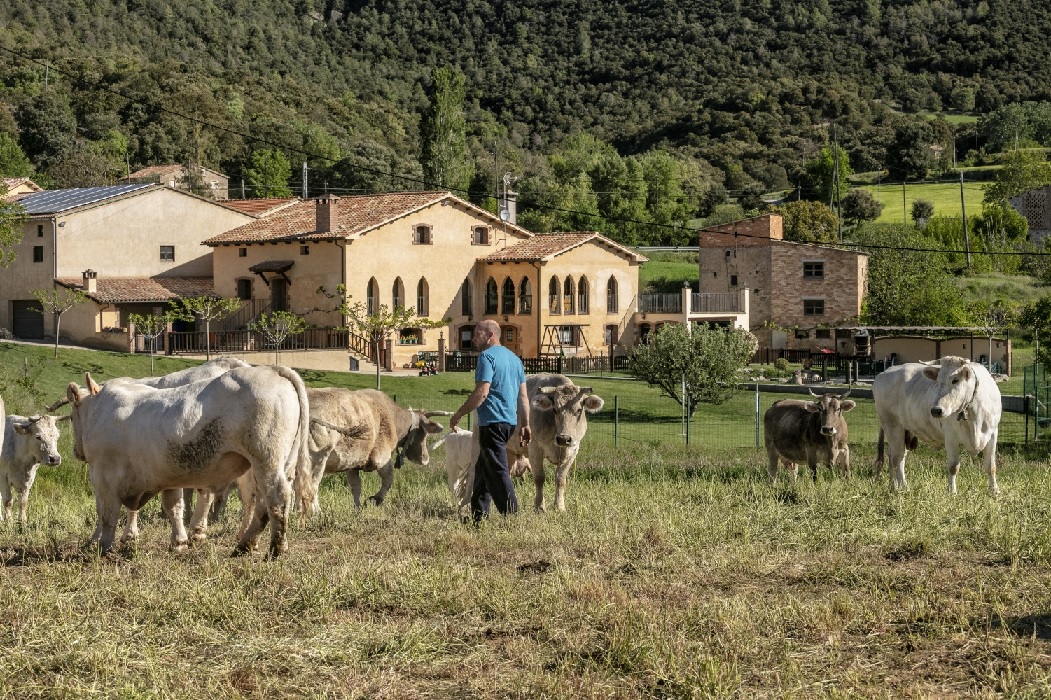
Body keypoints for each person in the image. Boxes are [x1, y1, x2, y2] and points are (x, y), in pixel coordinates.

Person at [449, 319, 531, 522]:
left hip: (492, 422)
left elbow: (482, 393)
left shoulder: (486, 357)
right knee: (483, 467)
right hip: (509, 423)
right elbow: (523, 397)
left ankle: (512, 517)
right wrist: (526, 424)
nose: (474, 337)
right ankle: (478, 516)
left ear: (490, 335)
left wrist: (459, 414)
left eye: (478, 333)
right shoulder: (515, 359)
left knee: (497, 469)